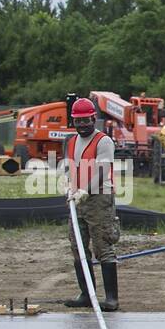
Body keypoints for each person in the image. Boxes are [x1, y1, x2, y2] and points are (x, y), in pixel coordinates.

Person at [61, 97, 121, 311]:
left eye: (86, 120)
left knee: (103, 246)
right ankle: (86, 294)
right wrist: (69, 185)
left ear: (94, 118)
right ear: (73, 121)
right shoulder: (71, 141)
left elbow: (103, 169)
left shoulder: (103, 141)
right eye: (78, 121)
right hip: (76, 200)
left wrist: (86, 190)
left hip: (99, 199)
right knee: (78, 247)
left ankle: (111, 298)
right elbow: (70, 167)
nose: (83, 125)